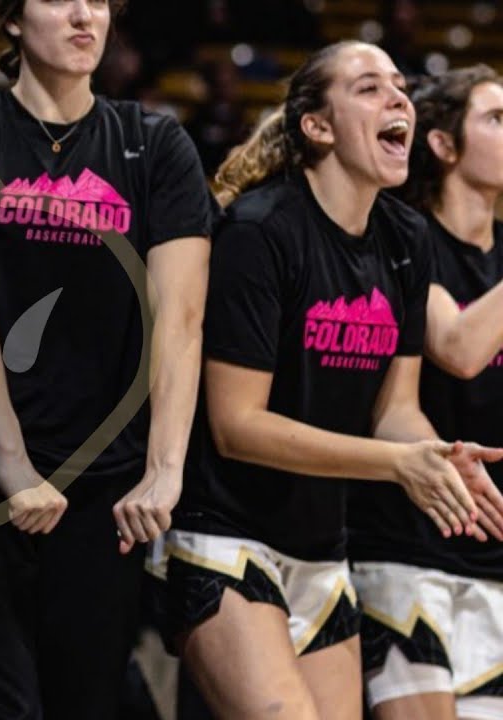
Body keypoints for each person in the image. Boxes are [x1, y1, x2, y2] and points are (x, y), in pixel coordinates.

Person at [0, 0, 215, 717]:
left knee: (86, 701)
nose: (83, 15)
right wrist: (7, 460)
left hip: (105, 492)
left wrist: (164, 473)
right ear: (11, 20)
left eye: (98, 1)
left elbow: (181, 318)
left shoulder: (156, 143)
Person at [169, 41, 503, 719]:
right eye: (369, 88)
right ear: (317, 126)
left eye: (400, 87)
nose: (398, 98)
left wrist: (433, 455)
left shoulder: (404, 237)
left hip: (324, 549)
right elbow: (238, 426)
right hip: (230, 538)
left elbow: (395, 410)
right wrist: (395, 462)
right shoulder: (261, 231)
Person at [348, 65, 503, 720]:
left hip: (493, 552)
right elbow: (461, 349)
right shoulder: (409, 241)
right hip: (409, 546)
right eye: (496, 118)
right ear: (442, 145)